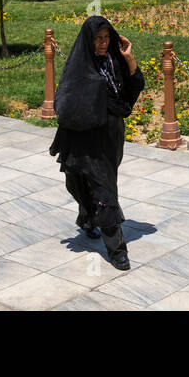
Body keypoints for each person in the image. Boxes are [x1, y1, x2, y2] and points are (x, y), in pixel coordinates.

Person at [50, 16, 145, 270]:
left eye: (106, 38)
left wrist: (128, 57)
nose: (103, 44)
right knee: (80, 183)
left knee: (104, 187)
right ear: (88, 40)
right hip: (83, 137)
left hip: (110, 136)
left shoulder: (114, 62)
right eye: (98, 39)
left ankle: (101, 233)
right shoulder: (80, 67)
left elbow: (135, 85)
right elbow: (65, 103)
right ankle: (112, 244)